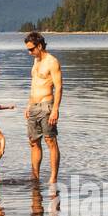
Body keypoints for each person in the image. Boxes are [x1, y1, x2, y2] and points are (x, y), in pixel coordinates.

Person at [23, 31, 62, 183]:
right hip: (33, 106)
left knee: (50, 141)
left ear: (39, 46)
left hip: (47, 106)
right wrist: (28, 105)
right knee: (33, 142)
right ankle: (35, 177)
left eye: (31, 49)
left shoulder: (52, 62)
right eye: (28, 49)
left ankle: (53, 178)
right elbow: (34, 85)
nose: (29, 52)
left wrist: (55, 110)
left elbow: (58, 87)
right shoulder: (36, 61)